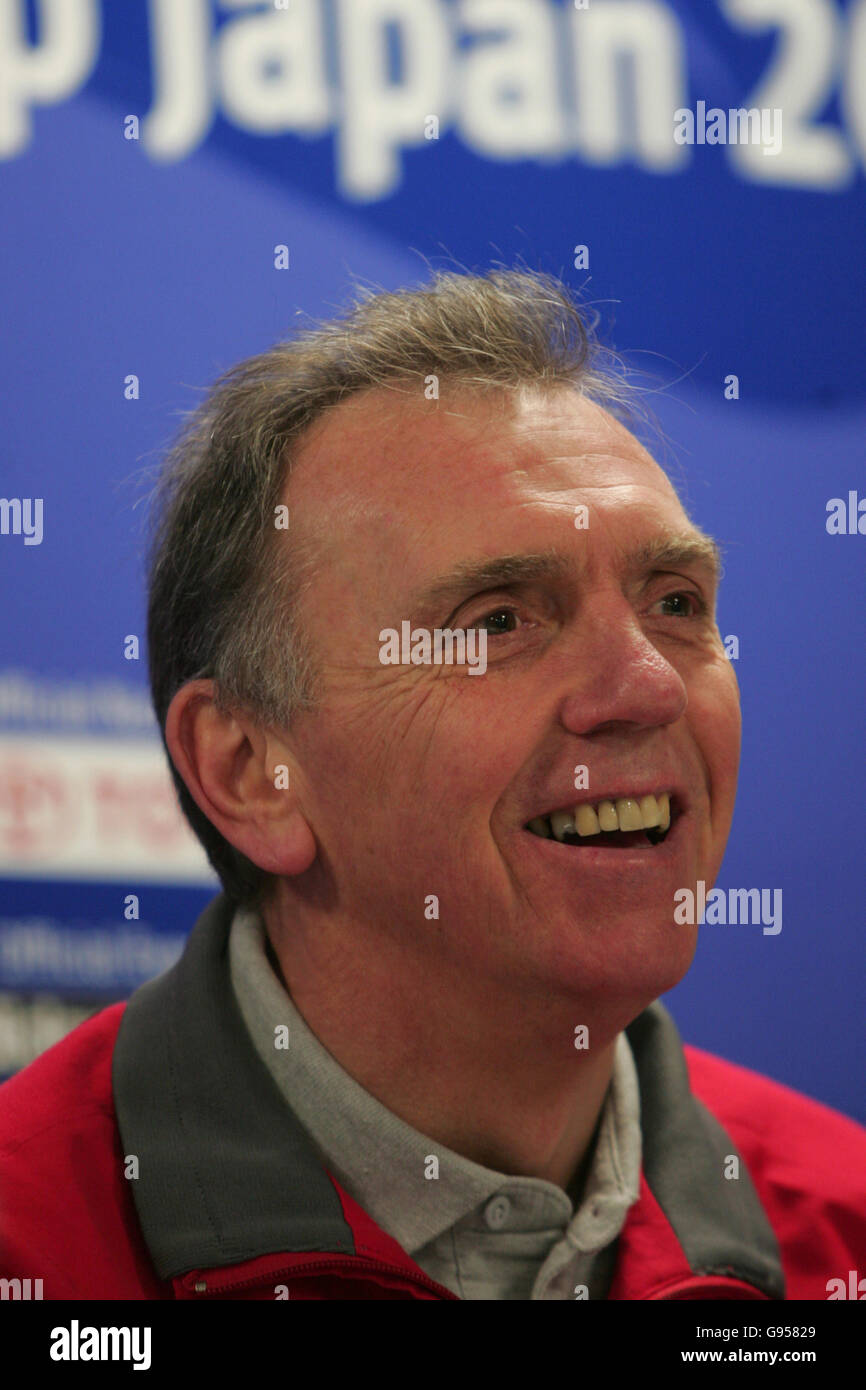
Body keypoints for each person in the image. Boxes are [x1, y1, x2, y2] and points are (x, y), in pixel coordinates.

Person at [1, 271, 863, 1301]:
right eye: (498, 620)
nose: (645, 686)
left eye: (674, 601)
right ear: (249, 771)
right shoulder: (34, 1246)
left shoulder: (837, 1226)